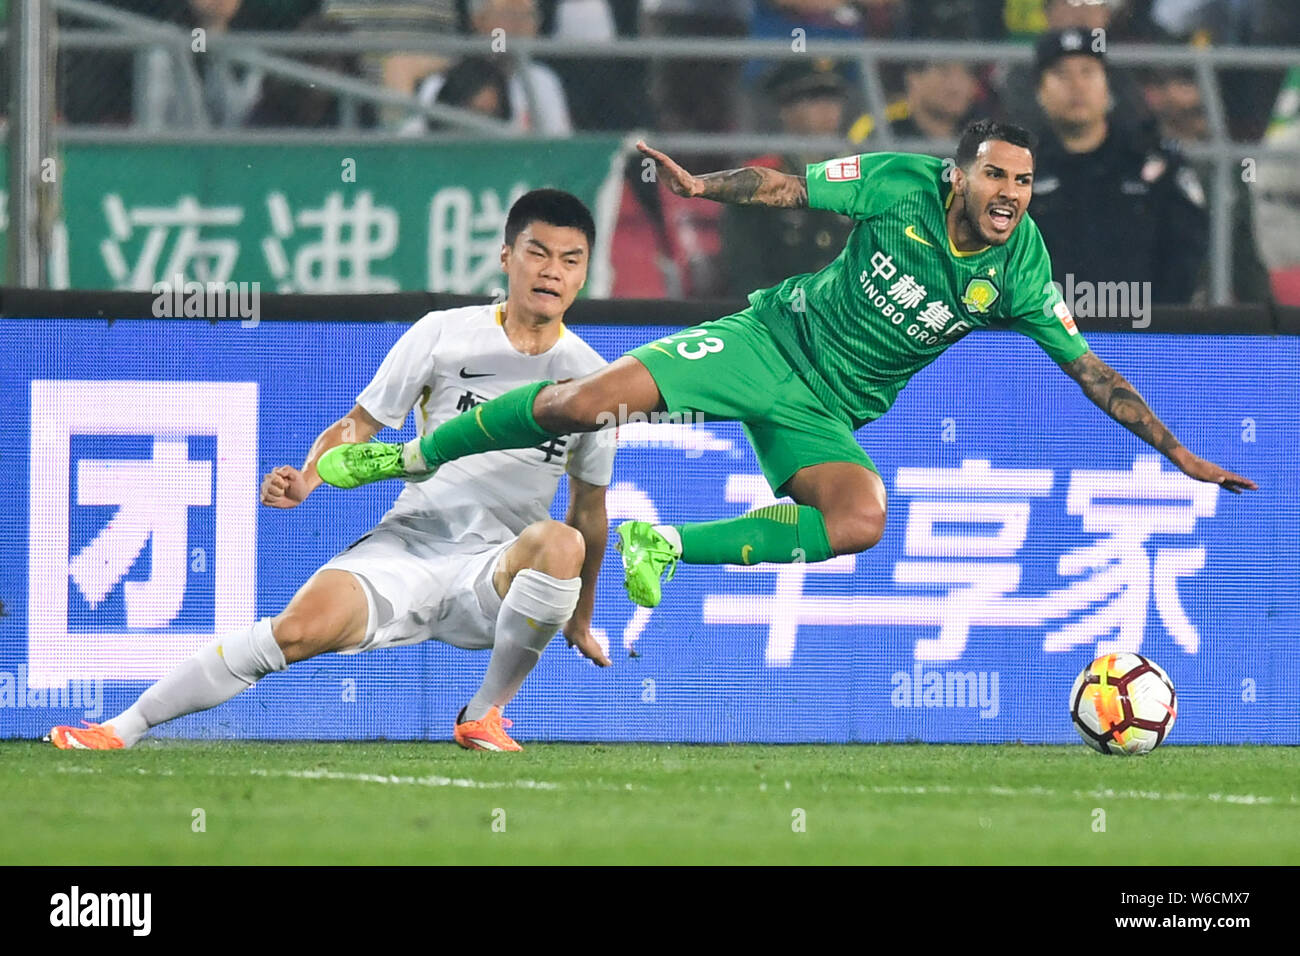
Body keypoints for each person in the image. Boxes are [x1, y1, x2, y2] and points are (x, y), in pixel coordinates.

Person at [315, 120, 1256, 612]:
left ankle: (667, 547)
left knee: (859, 520)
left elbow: (1092, 370)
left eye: (1023, 180)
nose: (1010, 193)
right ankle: (409, 457)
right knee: (587, 402)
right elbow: (788, 185)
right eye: (995, 175)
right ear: (959, 175)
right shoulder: (900, 183)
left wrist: (1179, 456)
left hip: (828, 410)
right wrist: (700, 187)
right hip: (767, 343)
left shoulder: (1021, 267)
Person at [48, 190, 614, 754]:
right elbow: (360, 424)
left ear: (585, 272)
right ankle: (120, 728)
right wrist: (308, 477)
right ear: (506, 256)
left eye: (571, 260)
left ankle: (484, 714)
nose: (552, 272)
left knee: (562, 542)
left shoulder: (592, 381)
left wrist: (580, 616)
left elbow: (589, 511)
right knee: (291, 632)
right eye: (538, 253)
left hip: (498, 573)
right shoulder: (444, 333)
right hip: (411, 547)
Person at [1026, 28, 1209, 305]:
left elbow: (1187, 254)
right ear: (1040, 91)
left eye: (1088, 72)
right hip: (1046, 337)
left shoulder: (1154, 165)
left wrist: (1160, 323)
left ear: (1107, 85)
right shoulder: (1018, 169)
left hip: (1144, 336)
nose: (1076, 86)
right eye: (1061, 74)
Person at [724, 59, 855, 296]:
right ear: (785, 108)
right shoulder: (758, 179)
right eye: (813, 99)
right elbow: (744, 270)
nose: (827, 109)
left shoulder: (861, 178)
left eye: (833, 99)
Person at [404, 0, 572, 135]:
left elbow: (559, 145)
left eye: (527, 15)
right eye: (507, 15)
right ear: (479, 20)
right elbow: (414, 138)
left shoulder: (542, 80)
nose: (517, 25)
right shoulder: (443, 81)